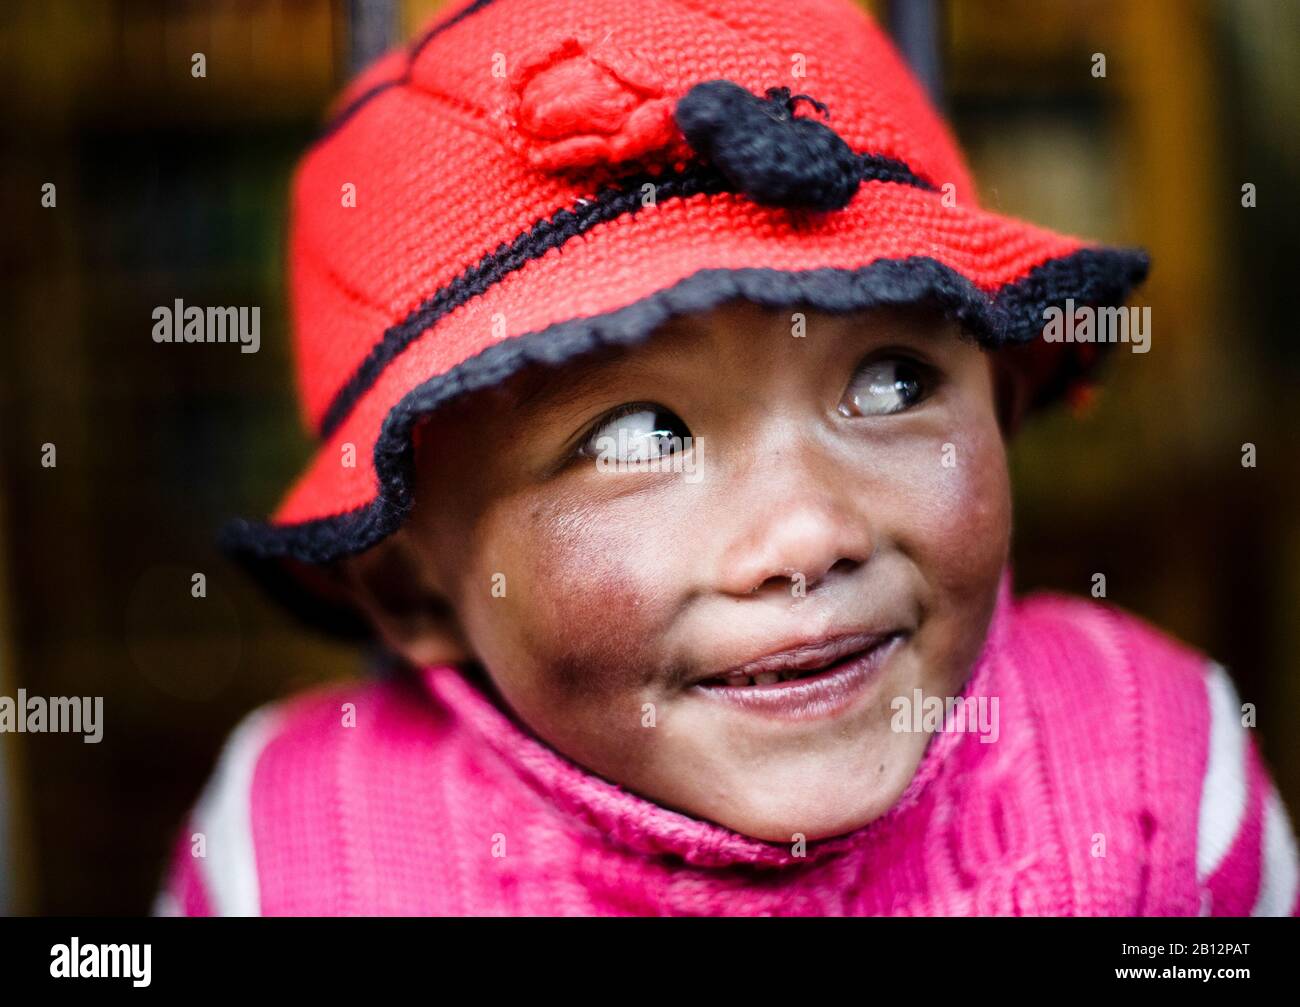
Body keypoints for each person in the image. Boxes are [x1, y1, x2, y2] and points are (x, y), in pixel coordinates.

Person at [154, 0, 1298, 916]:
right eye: (641, 435)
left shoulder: (1154, 766)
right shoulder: (293, 848)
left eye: (891, 381)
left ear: (998, 401)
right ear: (409, 581)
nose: (807, 532)